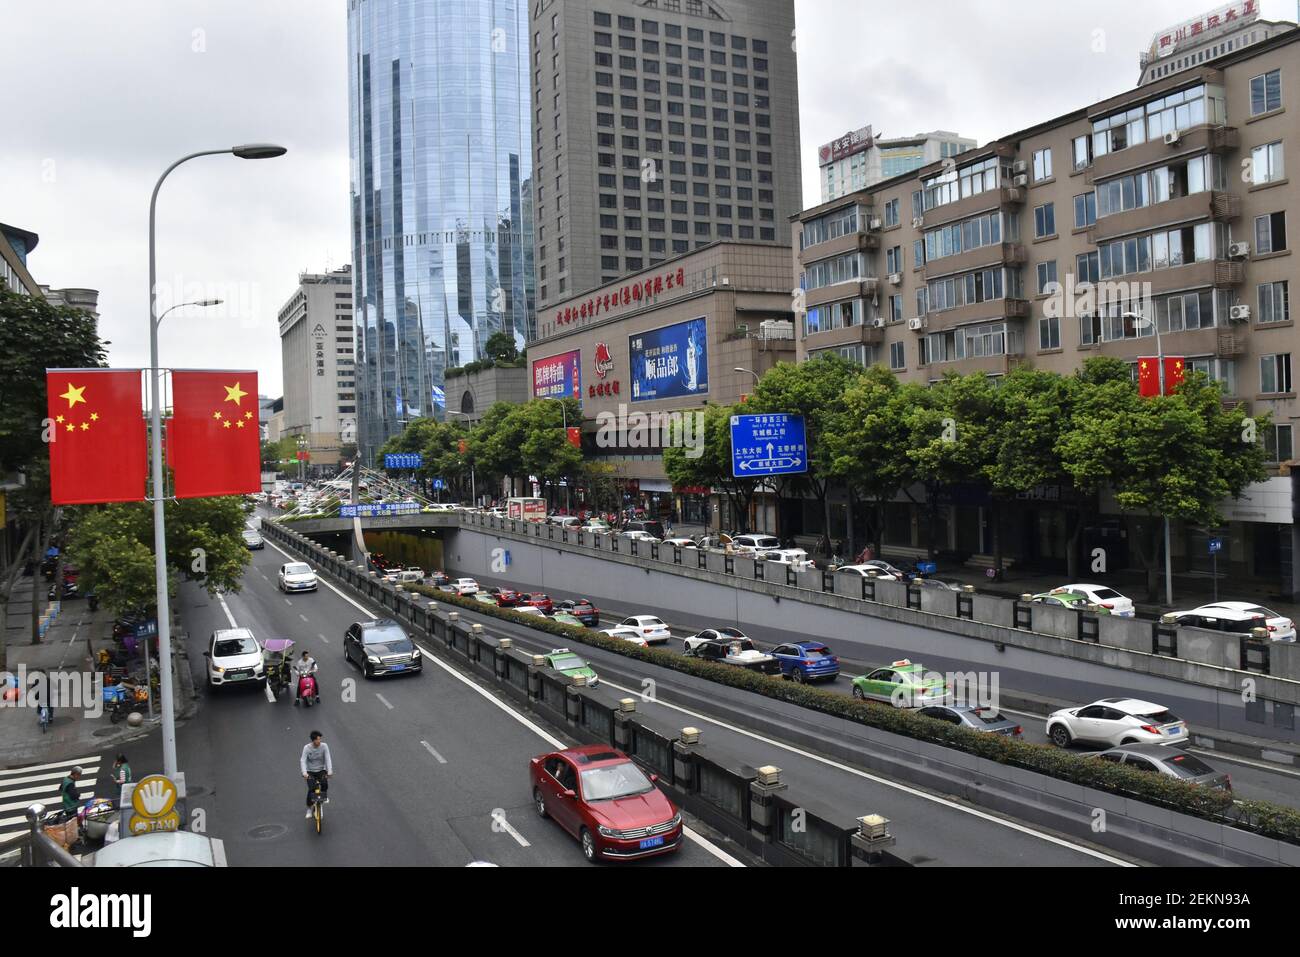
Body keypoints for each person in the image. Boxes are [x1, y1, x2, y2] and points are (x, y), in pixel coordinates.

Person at [300, 730, 333, 817]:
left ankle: (322, 801)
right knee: (311, 789)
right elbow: (303, 760)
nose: (319, 741)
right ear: (313, 740)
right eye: (318, 740)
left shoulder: (324, 746)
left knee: (324, 783)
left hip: (321, 770)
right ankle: (309, 809)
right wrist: (304, 773)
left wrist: (329, 771)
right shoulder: (307, 748)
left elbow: (328, 758)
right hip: (310, 772)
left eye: (320, 739)